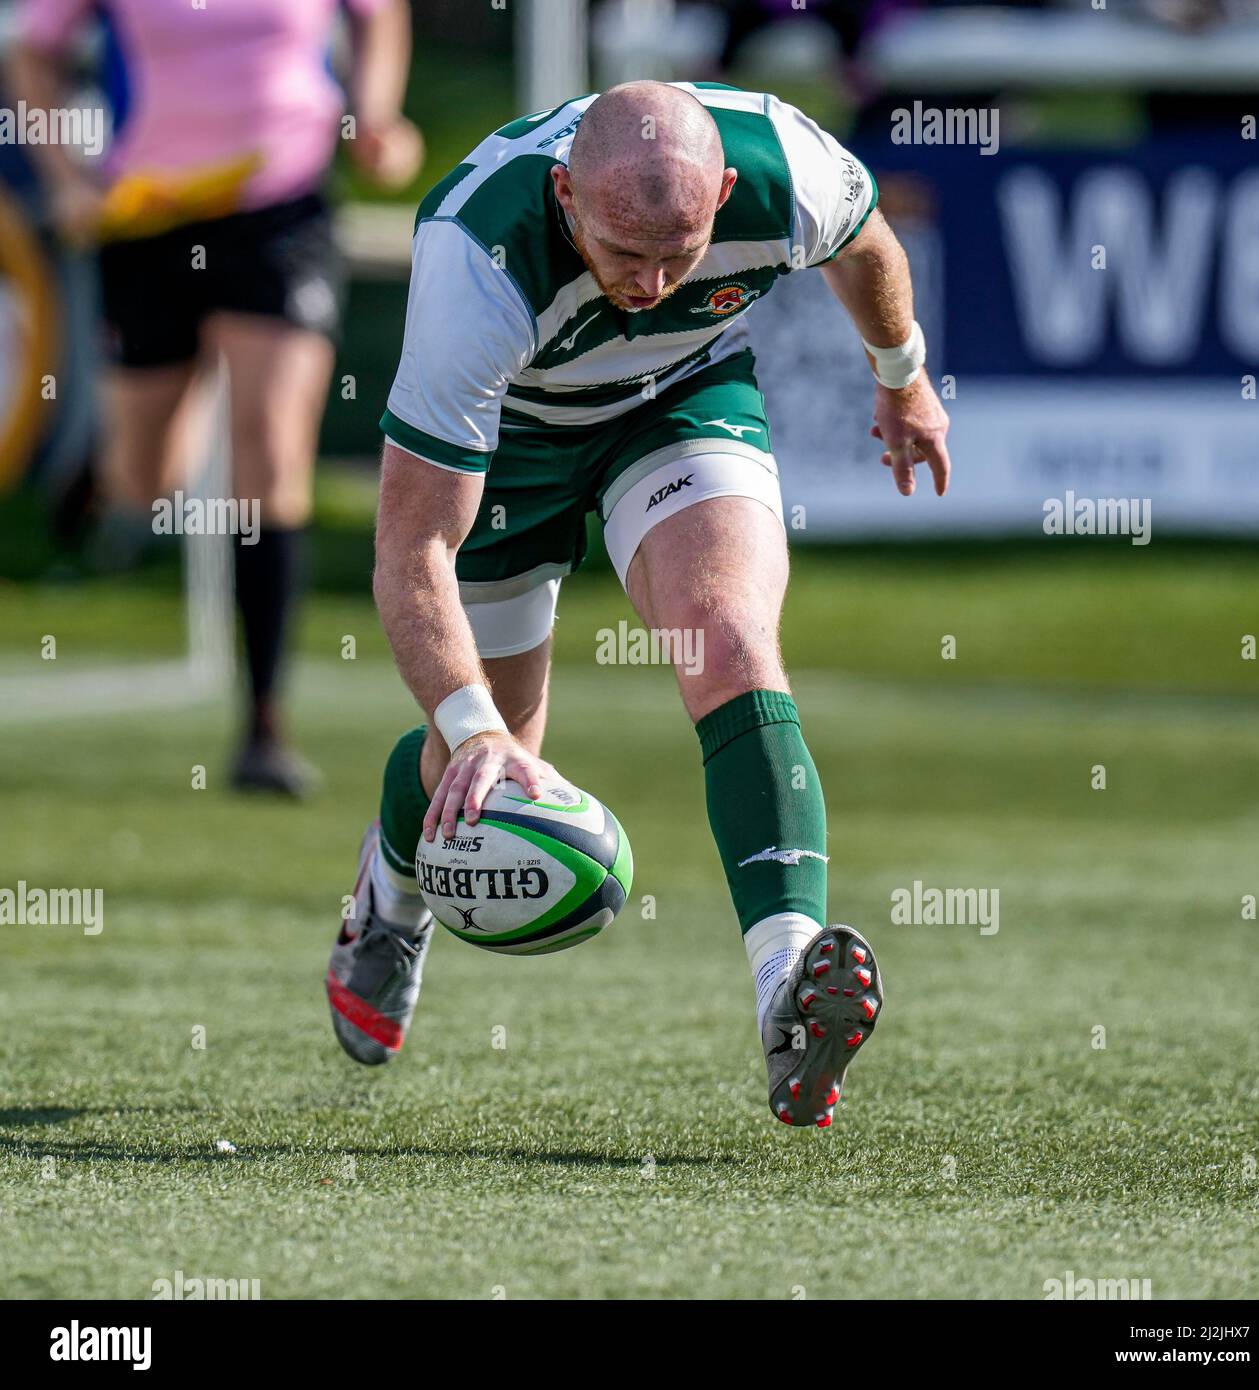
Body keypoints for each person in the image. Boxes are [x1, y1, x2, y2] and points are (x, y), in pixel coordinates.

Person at [325, 81, 951, 1128]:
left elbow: (870, 247)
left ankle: (788, 995)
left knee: (731, 639)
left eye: (683, 251)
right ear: (567, 196)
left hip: (679, 397)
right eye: (625, 253)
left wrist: (901, 372)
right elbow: (410, 548)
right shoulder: (475, 263)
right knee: (486, 763)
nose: (654, 282)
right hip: (510, 442)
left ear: (726, 191)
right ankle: (389, 900)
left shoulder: (786, 167)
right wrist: (474, 729)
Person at [9, 0, 423, 794]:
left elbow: (382, 17)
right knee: (149, 485)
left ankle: (264, 725)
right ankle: (107, 470)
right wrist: (65, 177)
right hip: (144, 213)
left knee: (270, 453)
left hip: (281, 206)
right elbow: (33, 56)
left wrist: (375, 113)